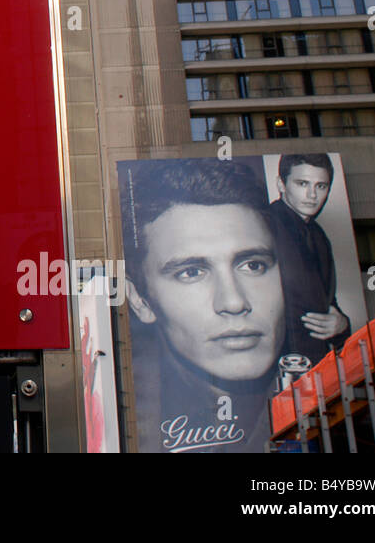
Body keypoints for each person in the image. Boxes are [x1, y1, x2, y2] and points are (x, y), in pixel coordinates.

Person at [122, 159, 285, 453]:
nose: (234, 302)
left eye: (253, 265)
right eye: (191, 272)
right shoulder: (129, 422)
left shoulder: (334, 400)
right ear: (140, 300)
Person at [267, 153, 350, 364]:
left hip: (317, 363)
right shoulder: (262, 225)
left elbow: (327, 302)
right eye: (302, 183)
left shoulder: (319, 236)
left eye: (321, 186)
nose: (312, 194)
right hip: (276, 366)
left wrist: (342, 324)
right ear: (281, 184)